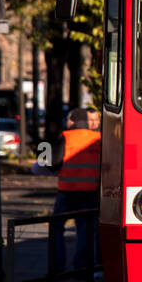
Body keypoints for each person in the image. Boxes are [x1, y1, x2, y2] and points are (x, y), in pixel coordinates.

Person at [44, 108, 100, 273]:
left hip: (67, 191)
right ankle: (81, 266)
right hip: (90, 191)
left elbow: (53, 163)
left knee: (56, 227)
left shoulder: (66, 137)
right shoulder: (98, 139)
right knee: (85, 229)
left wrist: (44, 152)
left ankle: (57, 267)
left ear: (73, 121)